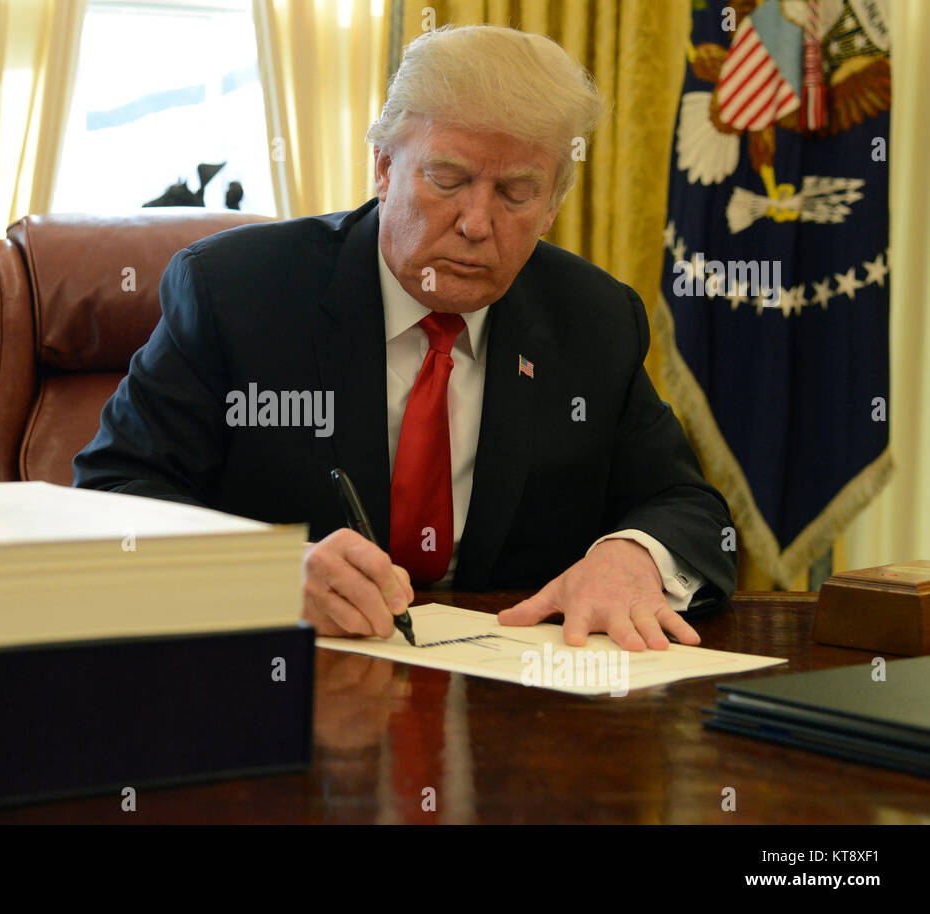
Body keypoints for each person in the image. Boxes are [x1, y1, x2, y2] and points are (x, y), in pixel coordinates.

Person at [74, 25, 736, 651]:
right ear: (384, 167)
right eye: (447, 179)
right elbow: (110, 497)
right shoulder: (236, 294)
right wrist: (265, 575)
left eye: (517, 192)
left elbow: (687, 507)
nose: (477, 223)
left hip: (512, 713)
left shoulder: (593, 319)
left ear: (555, 202)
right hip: (286, 687)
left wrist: (632, 556)